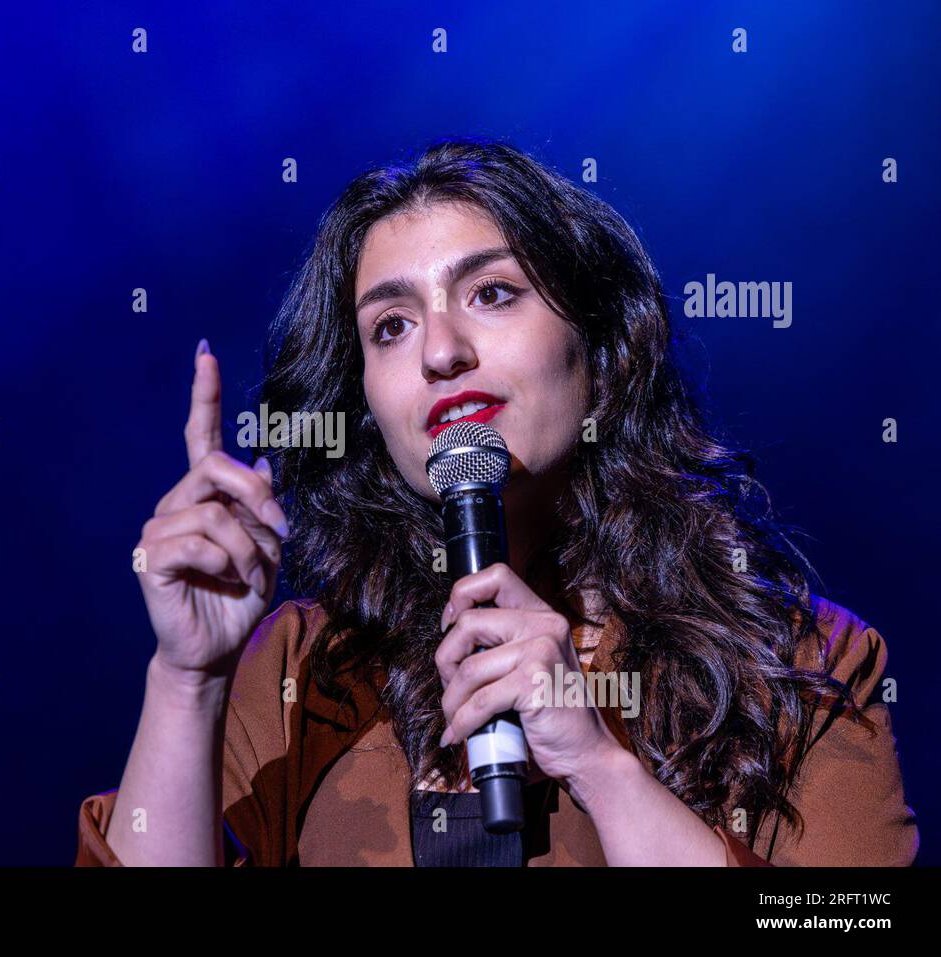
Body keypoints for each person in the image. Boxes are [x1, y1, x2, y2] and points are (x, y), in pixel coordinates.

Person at [75, 138, 918, 867]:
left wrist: (596, 762)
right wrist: (186, 679)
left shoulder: (802, 662)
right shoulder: (304, 673)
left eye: (492, 293)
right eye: (391, 326)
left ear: (601, 350)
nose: (441, 350)